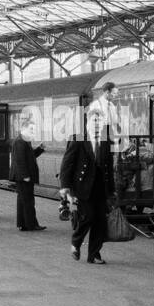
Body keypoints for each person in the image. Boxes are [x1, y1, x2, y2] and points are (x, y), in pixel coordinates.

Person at [60, 106, 112, 264]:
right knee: (88, 217)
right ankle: (76, 242)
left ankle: (94, 254)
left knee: (100, 221)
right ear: (88, 121)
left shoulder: (105, 140)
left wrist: (113, 190)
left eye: (100, 121)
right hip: (83, 187)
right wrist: (65, 186)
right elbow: (67, 163)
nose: (97, 124)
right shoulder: (78, 138)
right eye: (94, 120)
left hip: (100, 187)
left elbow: (109, 166)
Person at [10, 119, 46, 231]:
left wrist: (40, 149)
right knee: (28, 201)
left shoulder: (25, 140)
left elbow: (30, 157)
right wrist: (25, 175)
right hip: (23, 177)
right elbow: (19, 160)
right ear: (23, 129)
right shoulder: (20, 141)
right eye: (31, 129)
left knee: (23, 200)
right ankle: (31, 225)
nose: (33, 131)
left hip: (24, 176)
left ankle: (24, 224)